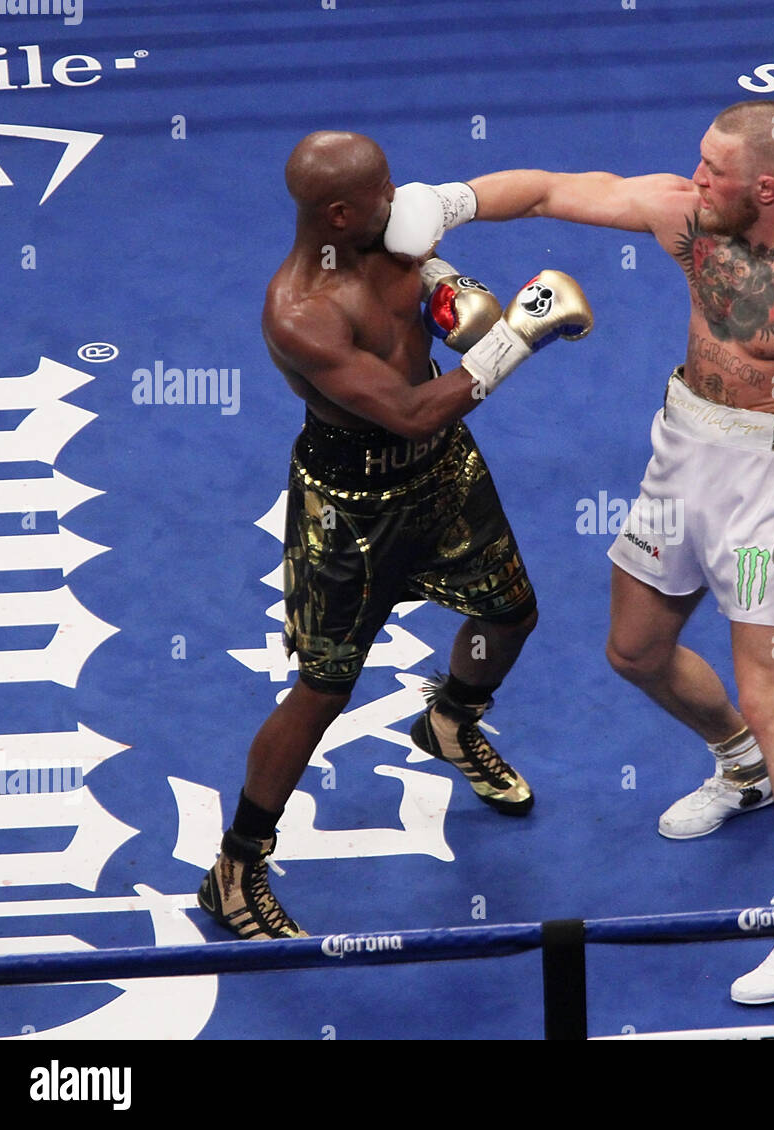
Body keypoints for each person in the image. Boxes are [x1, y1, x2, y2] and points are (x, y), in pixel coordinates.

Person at [464, 100, 774, 1003]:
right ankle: (741, 769)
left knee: (771, 694)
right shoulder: (691, 218)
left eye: (714, 170)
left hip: (770, 491)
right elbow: (561, 191)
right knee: (634, 649)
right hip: (682, 455)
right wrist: (444, 204)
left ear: (765, 186)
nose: (695, 178)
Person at [198, 131, 592, 940]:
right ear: (339, 214)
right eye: (381, 190)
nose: (398, 196)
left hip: (442, 473)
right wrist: (521, 331)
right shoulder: (299, 311)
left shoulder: (395, 225)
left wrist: (451, 292)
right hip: (351, 507)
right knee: (324, 690)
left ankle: (450, 718)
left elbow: (495, 211)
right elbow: (412, 410)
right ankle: (235, 866)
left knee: (510, 615)